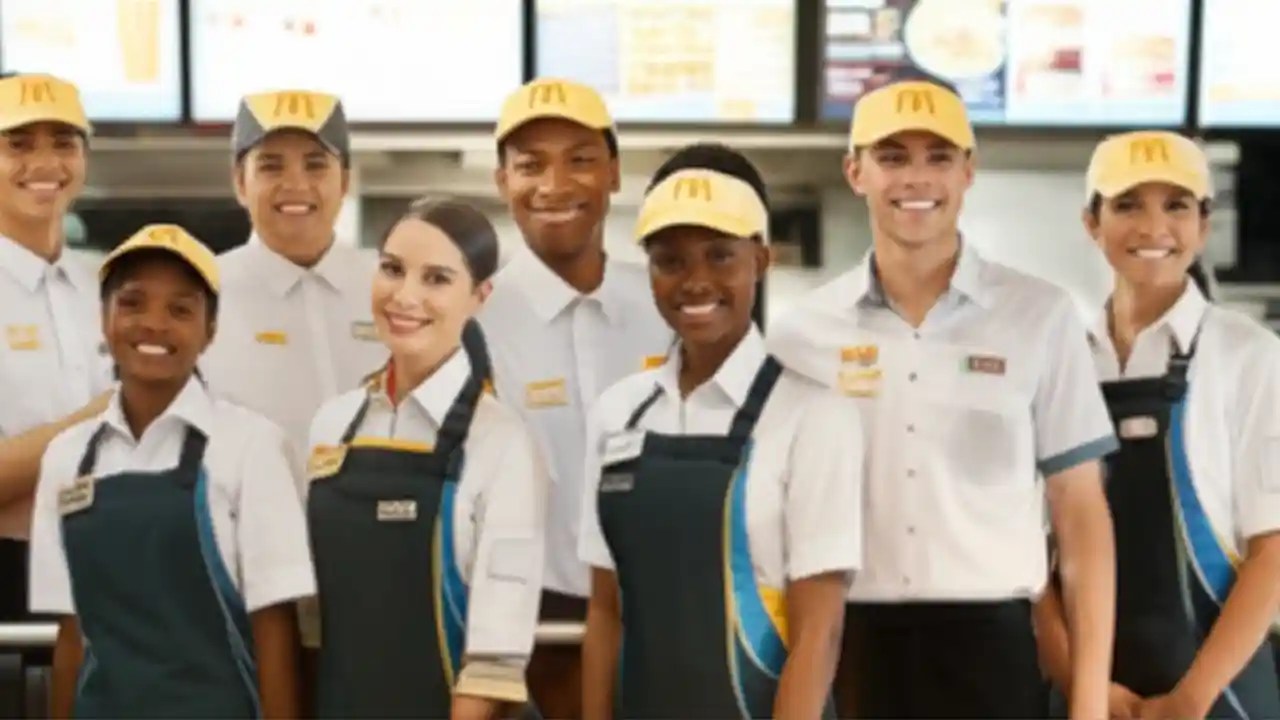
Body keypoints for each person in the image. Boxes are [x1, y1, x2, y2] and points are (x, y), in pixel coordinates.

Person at [765, 75, 1119, 720]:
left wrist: (1089, 698)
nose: (916, 180)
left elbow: (1081, 516)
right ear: (855, 171)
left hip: (997, 650)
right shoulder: (800, 331)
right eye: (892, 157)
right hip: (849, 649)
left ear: (968, 172)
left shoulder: (1039, 315)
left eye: (938, 158)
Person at [577, 143, 860, 719]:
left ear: (760, 259)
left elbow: (819, 632)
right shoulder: (618, 413)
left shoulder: (814, 415)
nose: (695, 282)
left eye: (719, 256)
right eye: (670, 261)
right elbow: (606, 611)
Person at [1034, 131, 1280, 719]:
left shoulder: (1249, 356)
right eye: (1127, 205)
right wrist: (1083, 688)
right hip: (1083, 699)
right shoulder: (1055, 356)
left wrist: (1191, 701)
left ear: (1204, 223)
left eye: (1176, 205)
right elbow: (1027, 554)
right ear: (1091, 222)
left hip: (1222, 698)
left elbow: (1273, 551)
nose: (1153, 228)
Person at [27, 224, 315, 718]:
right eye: (133, 303)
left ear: (211, 330)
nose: (154, 324)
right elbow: (72, 636)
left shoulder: (250, 446)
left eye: (180, 309)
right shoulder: (66, 457)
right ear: (104, 318)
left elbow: (273, 628)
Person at [305, 198, 549, 719]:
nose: (405, 296)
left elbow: (494, 655)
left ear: (480, 295)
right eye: (392, 269)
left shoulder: (501, 444)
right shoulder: (332, 424)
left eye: (437, 279)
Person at [478, 77, 673, 715]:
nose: (555, 185)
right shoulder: (468, 321)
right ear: (502, 180)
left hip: (665, 629)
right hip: (534, 642)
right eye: (530, 165)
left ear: (614, 174)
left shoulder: (666, 304)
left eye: (581, 160)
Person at [202, 89, 385, 462]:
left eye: (315, 164)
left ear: (345, 181)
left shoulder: (391, 288)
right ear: (240, 182)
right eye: (271, 166)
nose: (296, 184)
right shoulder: (201, 293)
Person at [0, 72, 112, 647]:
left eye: (64, 142)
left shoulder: (107, 286)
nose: (44, 162)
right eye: (17, 144)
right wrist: (100, 418)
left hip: (108, 569)